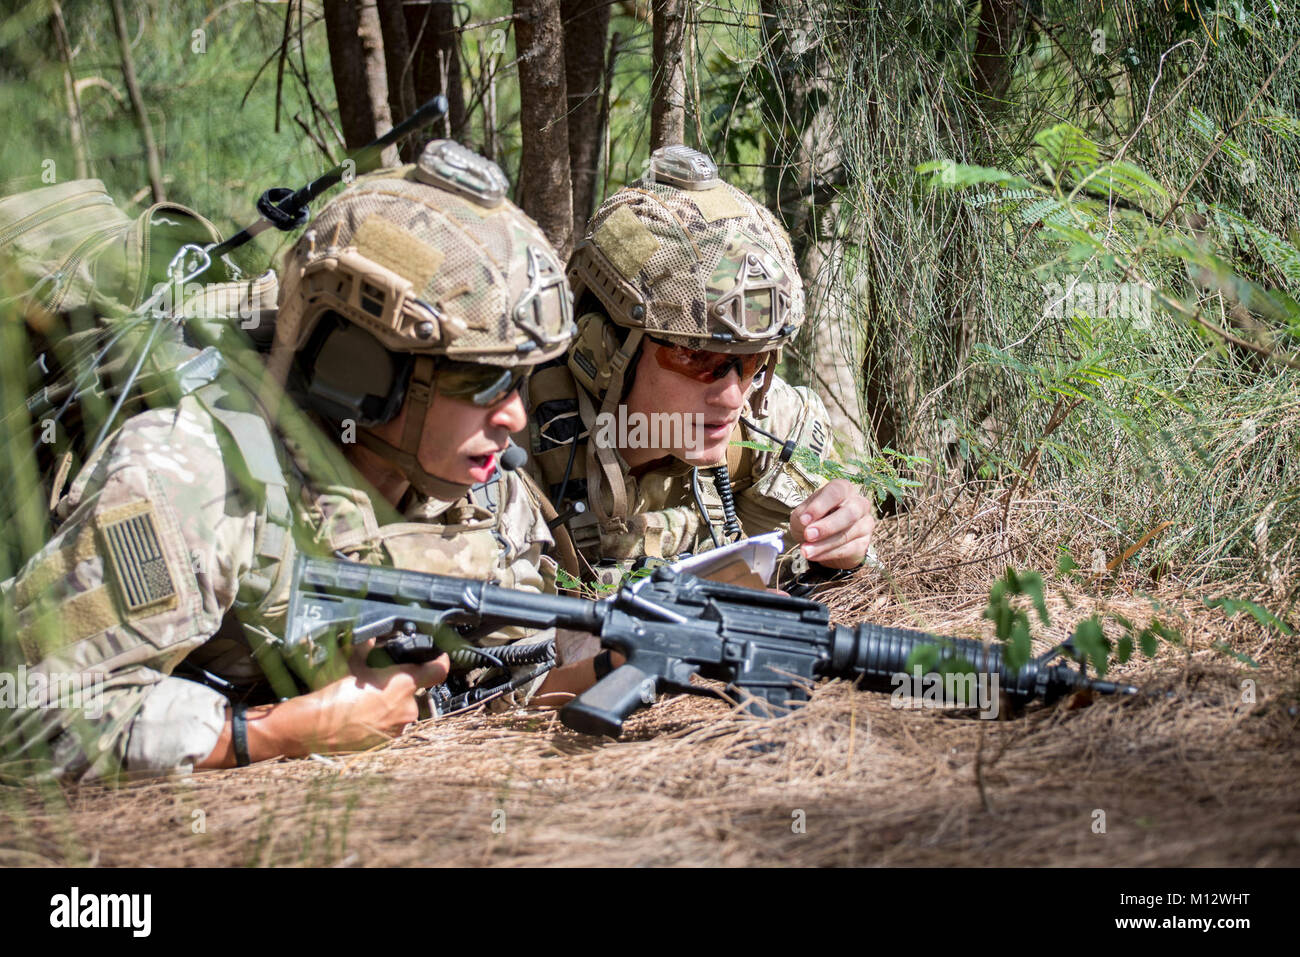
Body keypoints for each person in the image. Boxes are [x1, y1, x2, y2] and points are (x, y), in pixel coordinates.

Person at [0, 141, 576, 780]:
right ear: (361, 371)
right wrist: (278, 732)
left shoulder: (480, 484)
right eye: (482, 382)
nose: (515, 415)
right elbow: (30, 711)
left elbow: (498, 676)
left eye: (523, 378)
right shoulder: (194, 474)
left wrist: (594, 670)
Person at [524, 145, 876, 591]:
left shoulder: (767, 423)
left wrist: (843, 547)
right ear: (605, 347)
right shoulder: (508, 434)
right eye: (696, 357)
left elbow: (806, 564)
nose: (732, 396)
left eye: (752, 361)